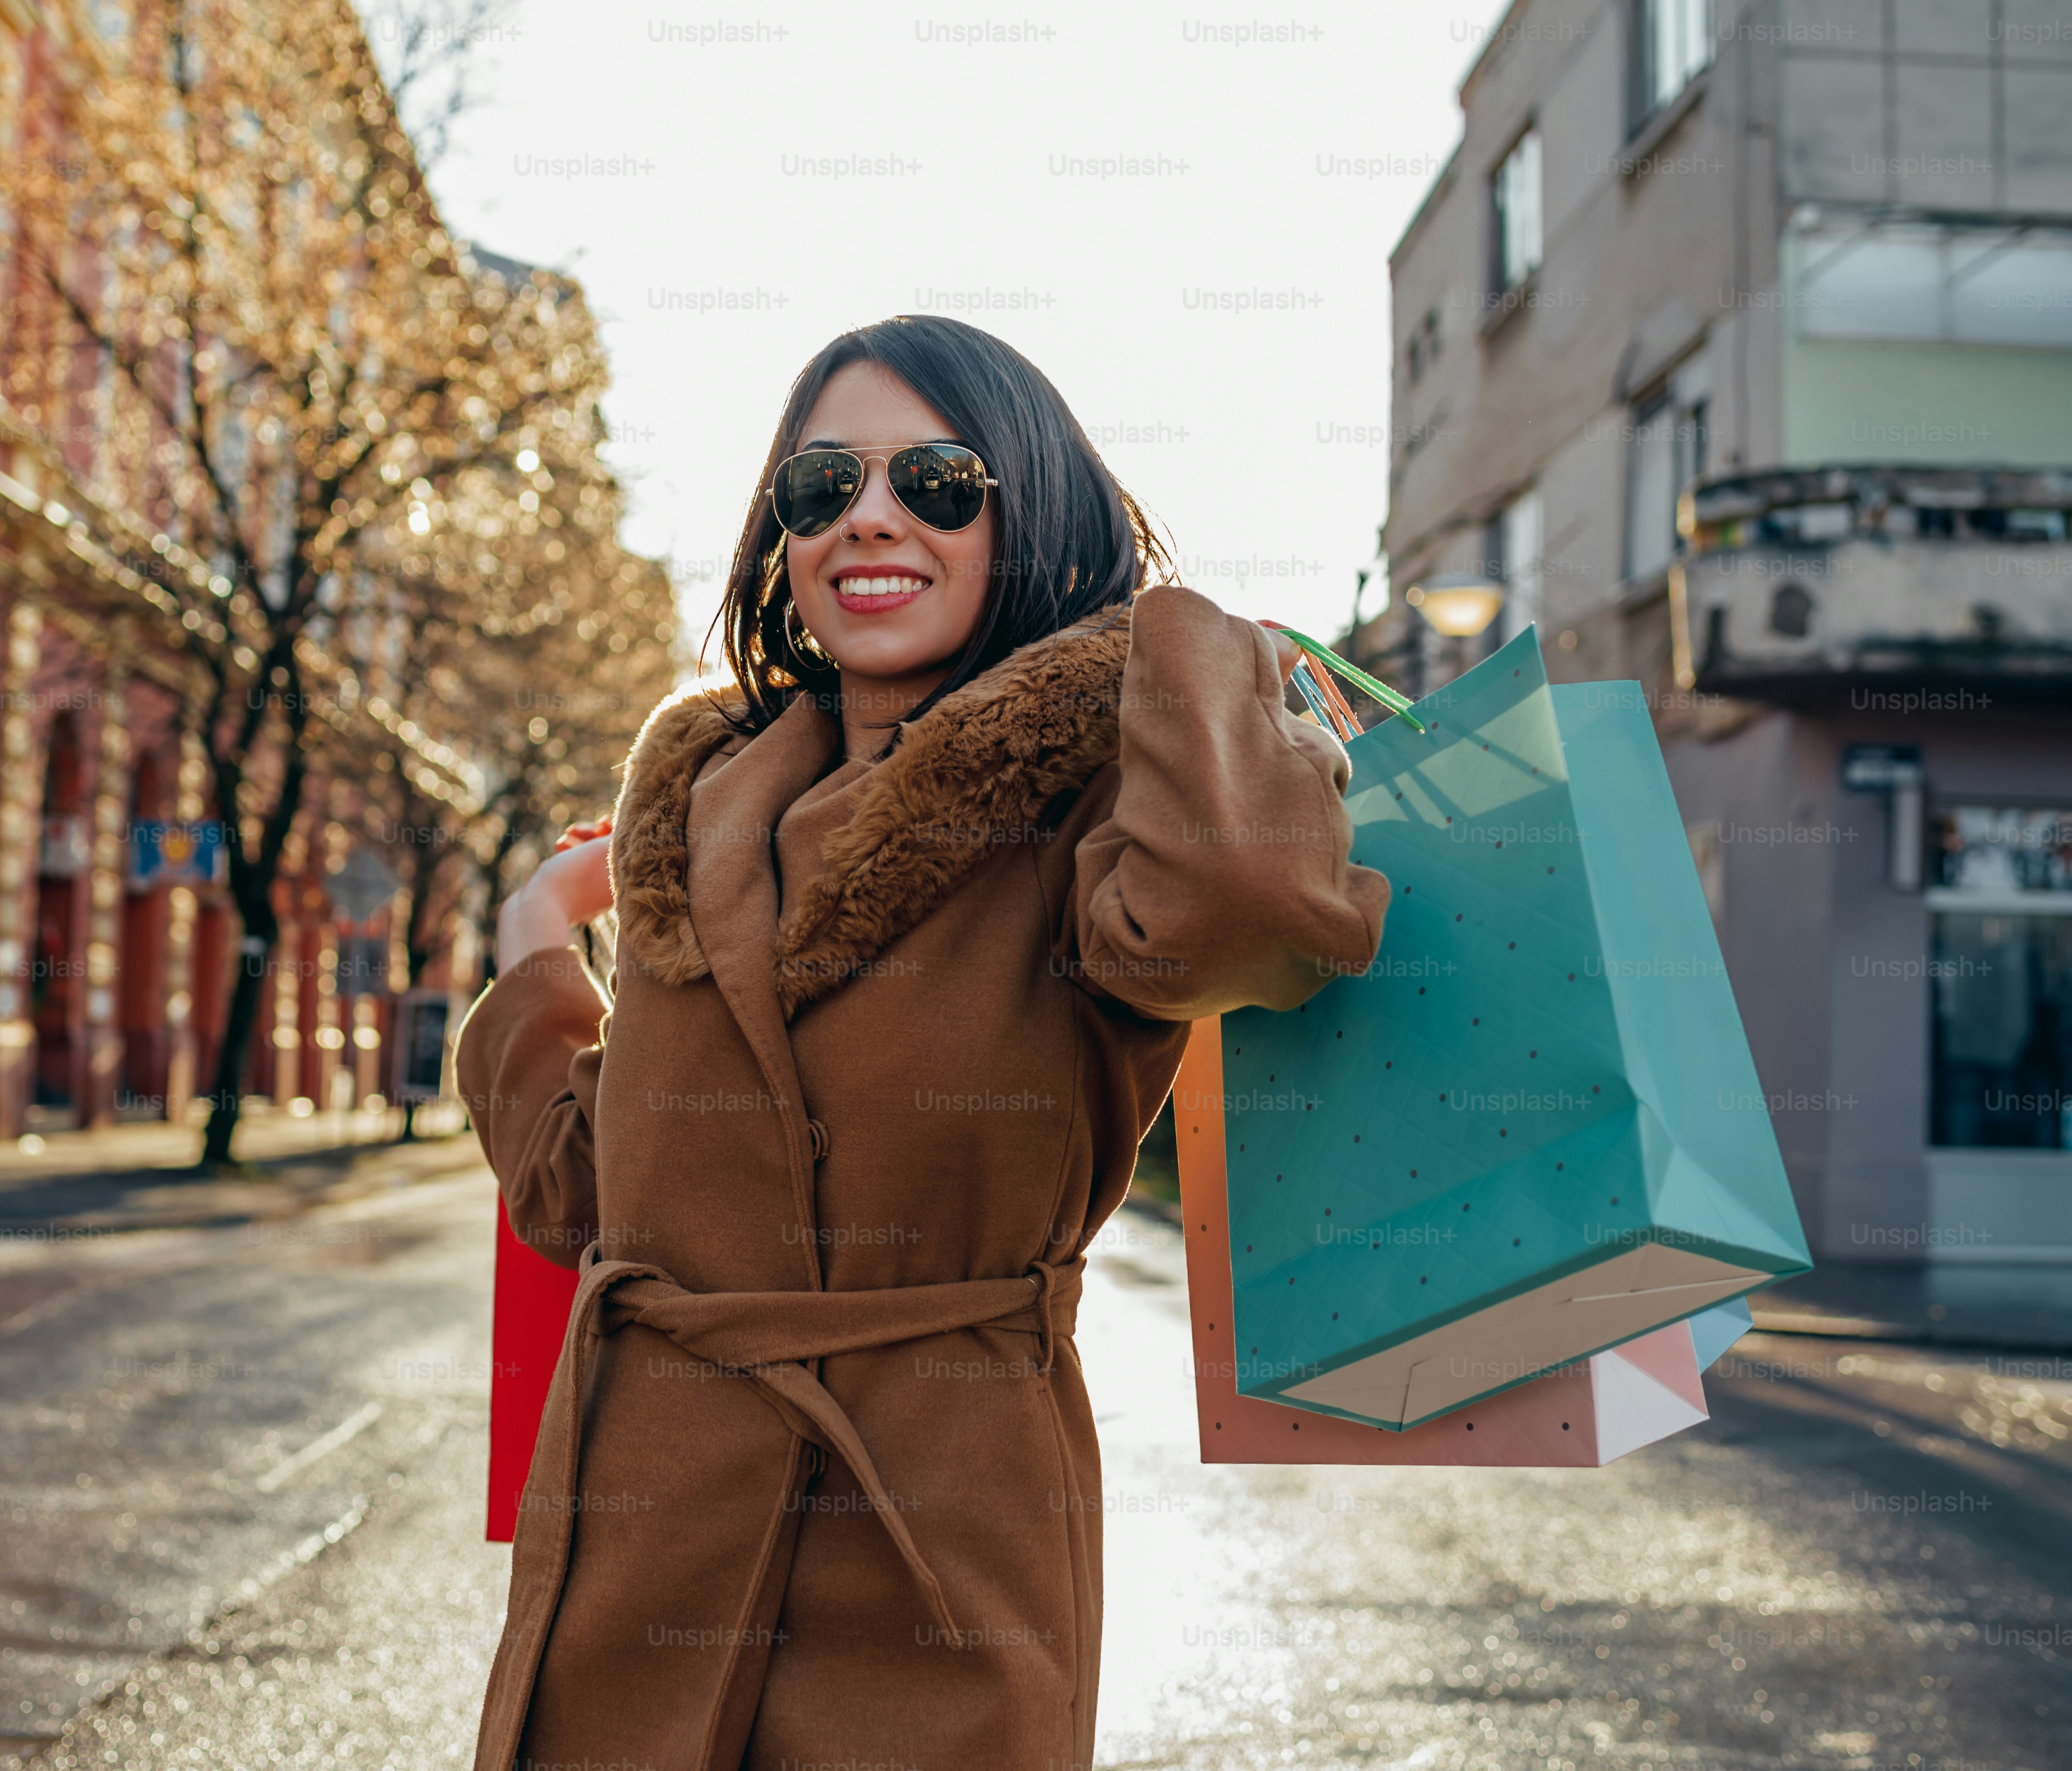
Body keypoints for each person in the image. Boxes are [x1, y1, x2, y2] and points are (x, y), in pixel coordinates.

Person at [457, 315, 1390, 1770]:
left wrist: (1172, 641)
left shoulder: (1093, 806)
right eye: (821, 488)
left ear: (1033, 509)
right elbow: (586, 1199)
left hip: (935, 1563)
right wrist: (532, 946)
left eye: (941, 481)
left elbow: (1253, 910)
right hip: (635, 1569)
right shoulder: (694, 811)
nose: (871, 516)